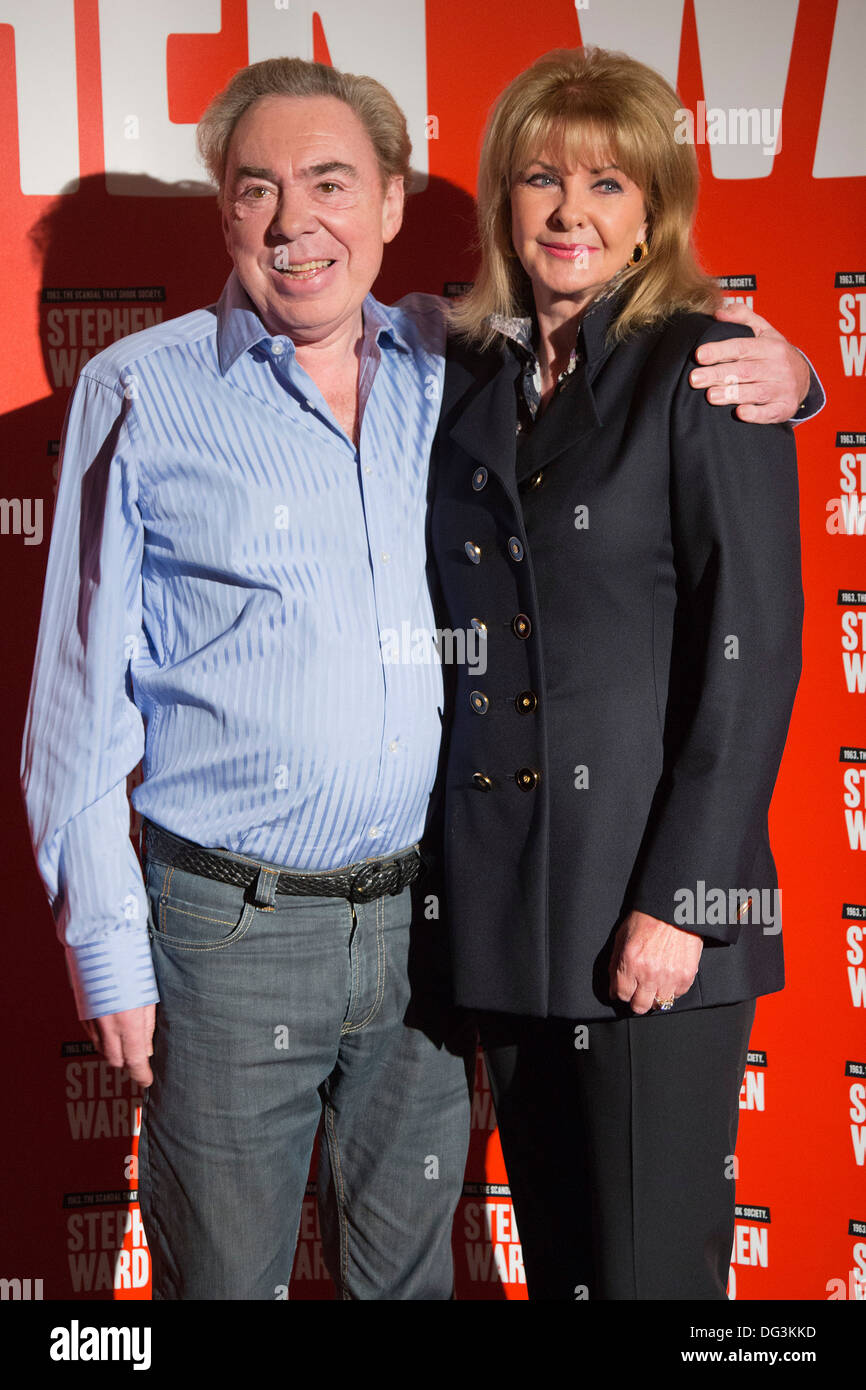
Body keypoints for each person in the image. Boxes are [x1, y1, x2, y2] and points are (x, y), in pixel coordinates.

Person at [21, 53, 819, 1301]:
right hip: (265, 935)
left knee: (466, 1282)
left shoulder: (498, 365)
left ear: (392, 204)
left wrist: (798, 377)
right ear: (222, 209)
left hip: (447, 935)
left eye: (330, 183)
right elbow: (71, 712)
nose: (297, 226)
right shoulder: (180, 389)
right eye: (256, 189)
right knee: (233, 1282)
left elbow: (747, 629)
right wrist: (111, 955)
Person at [429, 45, 806, 1299]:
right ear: (503, 200)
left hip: (657, 921)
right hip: (506, 919)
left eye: (605, 184)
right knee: (570, 1274)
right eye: (541, 178)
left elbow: (748, 659)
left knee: (653, 1280)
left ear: (654, 209)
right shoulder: (468, 376)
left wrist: (684, 901)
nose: (569, 213)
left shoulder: (702, 366)